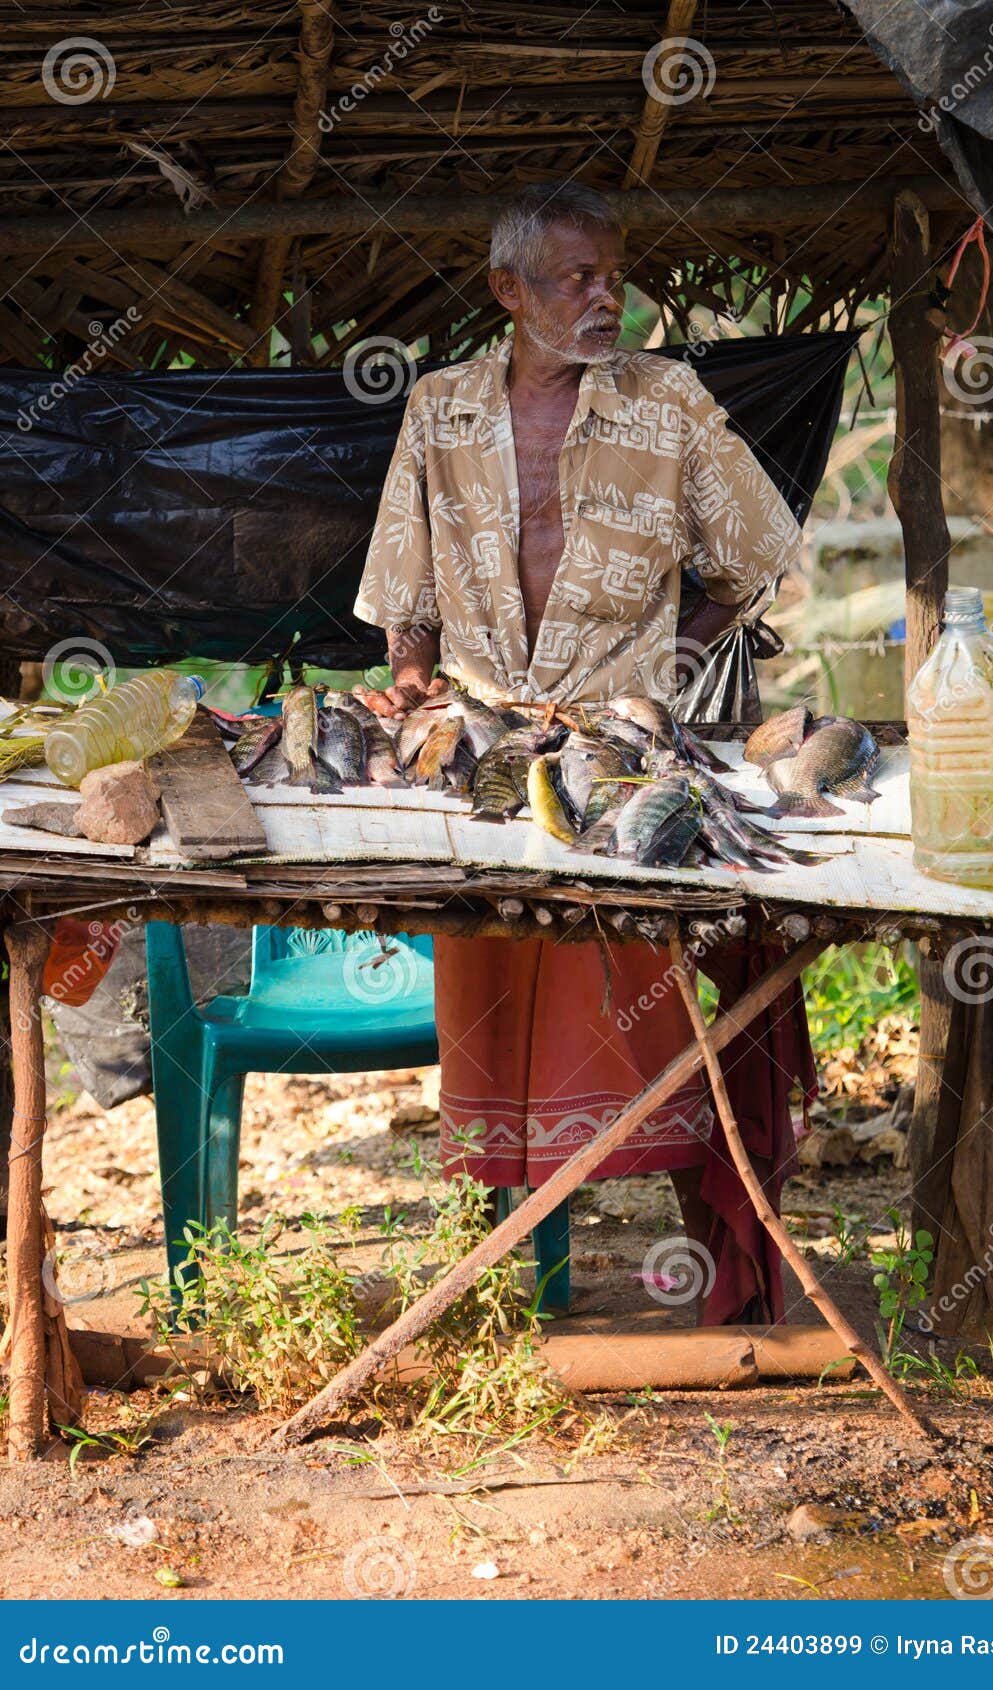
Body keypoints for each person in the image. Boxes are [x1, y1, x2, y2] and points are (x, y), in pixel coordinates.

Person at [353, 182, 810, 1321]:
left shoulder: (668, 402)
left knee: (663, 1009)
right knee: (499, 1002)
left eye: (615, 275)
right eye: (579, 279)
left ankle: (709, 1261)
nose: (608, 298)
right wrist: (411, 676)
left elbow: (755, 553)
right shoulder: (441, 408)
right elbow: (405, 591)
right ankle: (502, 1282)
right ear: (509, 291)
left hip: (622, 747)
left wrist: (667, 664)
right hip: (486, 747)